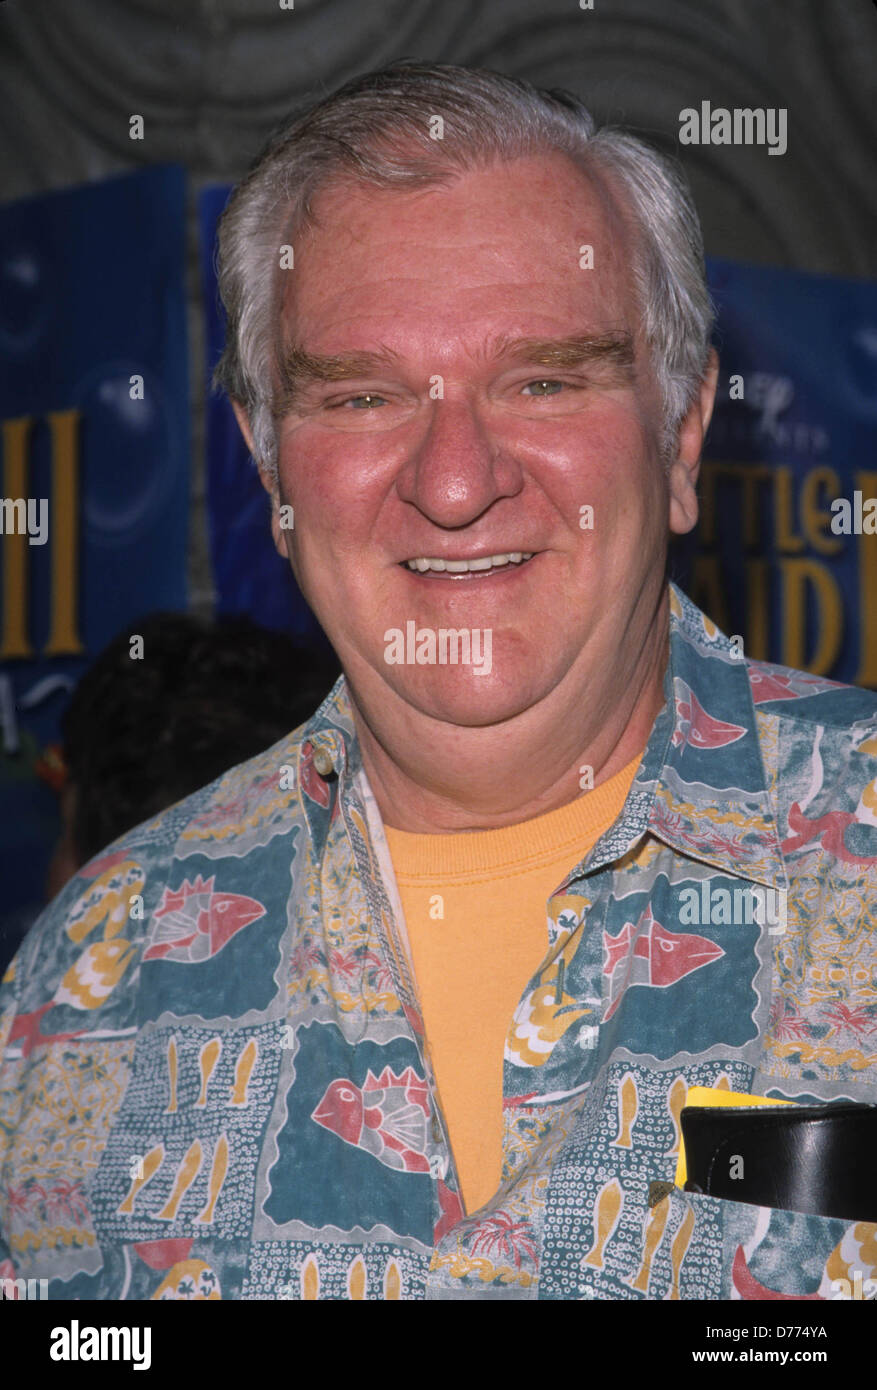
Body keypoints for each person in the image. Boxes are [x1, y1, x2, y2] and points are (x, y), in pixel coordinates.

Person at [0, 61, 874, 1303]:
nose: (455, 482)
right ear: (269, 470)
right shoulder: (82, 987)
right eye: (361, 395)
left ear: (681, 437)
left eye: (544, 380)